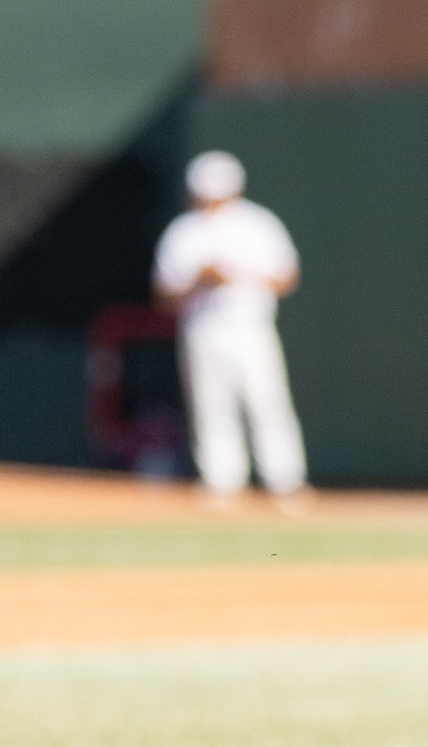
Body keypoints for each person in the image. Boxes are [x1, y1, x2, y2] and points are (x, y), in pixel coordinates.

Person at [154, 150, 309, 504]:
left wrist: (237, 277)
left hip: (250, 324)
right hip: (203, 326)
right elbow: (163, 293)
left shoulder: (259, 224)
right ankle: (221, 483)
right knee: (210, 405)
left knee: (267, 401)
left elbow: (287, 277)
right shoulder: (184, 231)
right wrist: (200, 279)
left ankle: (285, 482)